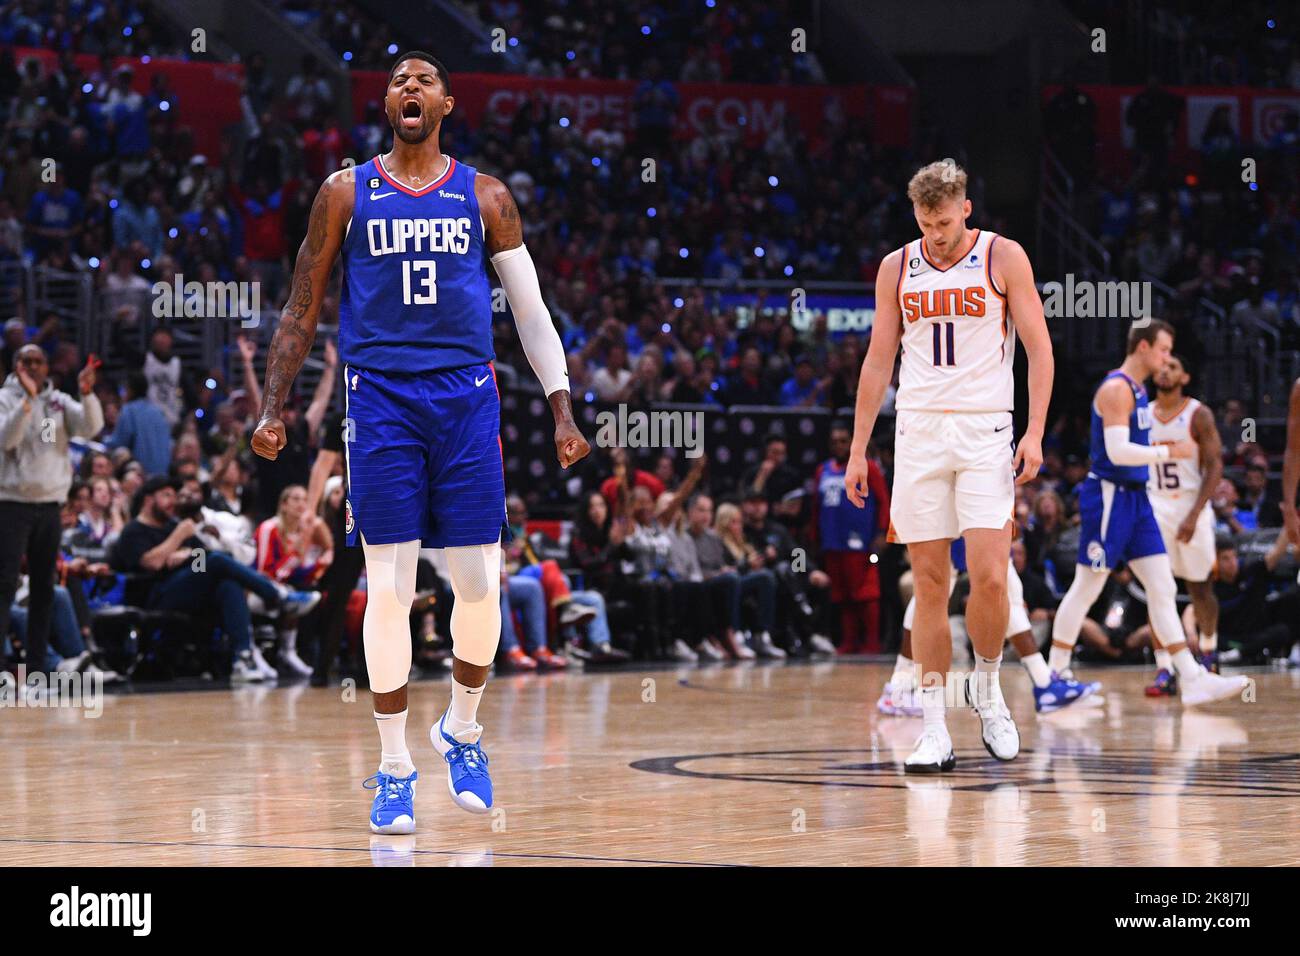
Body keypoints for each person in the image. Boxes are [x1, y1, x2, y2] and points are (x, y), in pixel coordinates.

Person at [250, 53, 589, 832]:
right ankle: (395, 767)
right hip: (381, 399)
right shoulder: (344, 192)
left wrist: (563, 409)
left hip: (467, 397)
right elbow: (302, 306)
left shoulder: (487, 196)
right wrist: (275, 405)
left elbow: (531, 314)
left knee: (478, 583)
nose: (410, 85)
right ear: (385, 101)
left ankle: (461, 731)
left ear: (447, 103)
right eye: (399, 77)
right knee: (392, 586)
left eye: (425, 78)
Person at [844, 160, 1053, 772]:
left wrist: (1035, 430)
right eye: (924, 222)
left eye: (944, 220)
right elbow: (878, 359)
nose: (935, 233)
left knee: (990, 578)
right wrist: (859, 448)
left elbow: (1038, 348)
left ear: (965, 207)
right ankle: (934, 726)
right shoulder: (896, 267)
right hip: (918, 433)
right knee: (931, 584)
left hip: (987, 427)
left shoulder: (1003, 256)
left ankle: (988, 694)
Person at [1048, 321, 1248, 706]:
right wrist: (1168, 453)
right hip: (1110, 497)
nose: (1166, 358)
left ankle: (1191, 677)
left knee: (1164, 587)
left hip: (1139, 500)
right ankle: (1055, 675)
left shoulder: (1139, 391)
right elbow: (1118, 451)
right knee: (1087, 587)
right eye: (1163, 349)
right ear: (1143, 348)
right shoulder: (1115, 389)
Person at [110, 477, 320, 682]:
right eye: (166, 495)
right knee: (219, 560)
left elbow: (201, 558)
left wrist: (187, 554)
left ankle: (243, 657)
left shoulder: (173, 525)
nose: (172, 501)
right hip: (153, 595)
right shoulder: (134, 531)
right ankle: (277, 595)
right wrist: (177, 540)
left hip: (186, 587)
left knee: (227, 583)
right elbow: (151, 564)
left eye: (174, 495)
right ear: (148, 500)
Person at [0, 346, 103, 687]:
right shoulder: (5, 398)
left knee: (45, 587)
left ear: (46, 367)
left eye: (37, 361)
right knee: (4, 584)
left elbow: (90, 428)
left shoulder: (59, 401)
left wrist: (86, 394)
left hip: (50, 505)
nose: (31, 366)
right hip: (11, 502)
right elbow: (7, 439)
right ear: (16, 366)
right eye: (25, 361)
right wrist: (26, 403)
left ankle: (37, 667)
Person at [1143, 355, 1223, 694]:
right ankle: (1165, 669)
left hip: (1191, 506)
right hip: (1155, 507)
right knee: (1157, 590)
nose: (1164, 370)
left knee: (1199, 588)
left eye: (1173, 365)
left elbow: (1216, 466)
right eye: (1160, 365)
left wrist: (1193, 514)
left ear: (1185, 375)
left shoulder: (1198, 414)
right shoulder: (1141, 415)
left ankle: (1208, 652)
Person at [812, 424, 889, 654]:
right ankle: (849, 641)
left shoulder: (869, 467)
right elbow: (817, 507)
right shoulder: (822, 470)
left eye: (843, 441)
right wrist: (815, 535)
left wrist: (882, 532)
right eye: (834, 441)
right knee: (842, 594)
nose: (839, 445)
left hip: (862, 542)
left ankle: (872, 642)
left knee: (866, 594)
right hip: (833, 541)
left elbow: (884, 502)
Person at [253, 484, 333, 677]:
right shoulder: (268, 528)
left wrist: (322, 562)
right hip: (257, 585)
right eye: (296, 499)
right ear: (283, 505)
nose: (301, 504)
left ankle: (290, 651)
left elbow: (302, 573)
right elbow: (264, 571)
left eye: (305, 500)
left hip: (284, 583)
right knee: (297, 593)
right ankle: (260, 652)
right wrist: (296, 553)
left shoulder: (302, 533)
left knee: (311, 592)